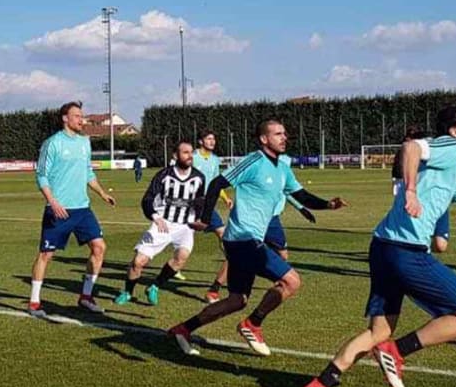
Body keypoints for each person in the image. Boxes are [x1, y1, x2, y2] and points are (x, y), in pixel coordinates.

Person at [300, 103, 456, 387]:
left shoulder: (455, 171)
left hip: (383, 246)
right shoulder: (452, 148)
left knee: (379, 330)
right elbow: (412, 147)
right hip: (405, 252)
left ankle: (319, 386)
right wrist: (411, 191)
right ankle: (397, 351)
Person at [167, 119, 347, 357]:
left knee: (237, 300)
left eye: (284, 133)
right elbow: (217, 183)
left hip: (247, 241)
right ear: (264, 139)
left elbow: (301, 195)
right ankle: (252, 324)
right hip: (242, 239)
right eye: (277, 134)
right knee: (292, 281)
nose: (284, 137)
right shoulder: (253, 161)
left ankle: (182, 329)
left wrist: (328, 205)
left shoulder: (282, 168)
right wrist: (206, 216)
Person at [29, 101, 117, 317]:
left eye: (82, 115)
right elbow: (41, 175)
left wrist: (102, 193)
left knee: (99, 248)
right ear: (65, 118)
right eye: (77, 116)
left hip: (82, 209)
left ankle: (85, 297)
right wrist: (53, 201)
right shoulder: (53, 143)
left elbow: (88, 172)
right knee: (46, 255)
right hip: (59, 210)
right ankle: (33, 302)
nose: (82, 119)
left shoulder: (85, 142)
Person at [115, 141, 208, 306]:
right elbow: (148, 199)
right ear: (175, 155)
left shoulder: (199, 177)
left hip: (185, 226)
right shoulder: (164, 175)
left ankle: (155, 286)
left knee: (181, 257)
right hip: (162, 223)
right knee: (138, 262)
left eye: (191, 152)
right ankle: (128, 292)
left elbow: (200, 202)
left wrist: (200, 219)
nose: (189, 156)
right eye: (185, 152)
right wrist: (155, 217)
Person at [392, 126, 456, 253]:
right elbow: (401, 169)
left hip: (438, 202)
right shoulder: (409, 156)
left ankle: (419, 249)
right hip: (414, 205)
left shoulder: (443, 152)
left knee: (440, 246)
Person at [191, 130, 234, 299]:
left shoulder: (215, 160)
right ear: (201, 141)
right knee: (182, 237)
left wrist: (225, 198)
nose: (212, 141)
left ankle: (215, 287)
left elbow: (217, 182)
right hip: (193, 204)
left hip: (209, 205)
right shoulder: (193, 157)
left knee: (224, 237)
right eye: (209, 138)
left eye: (214, 138)